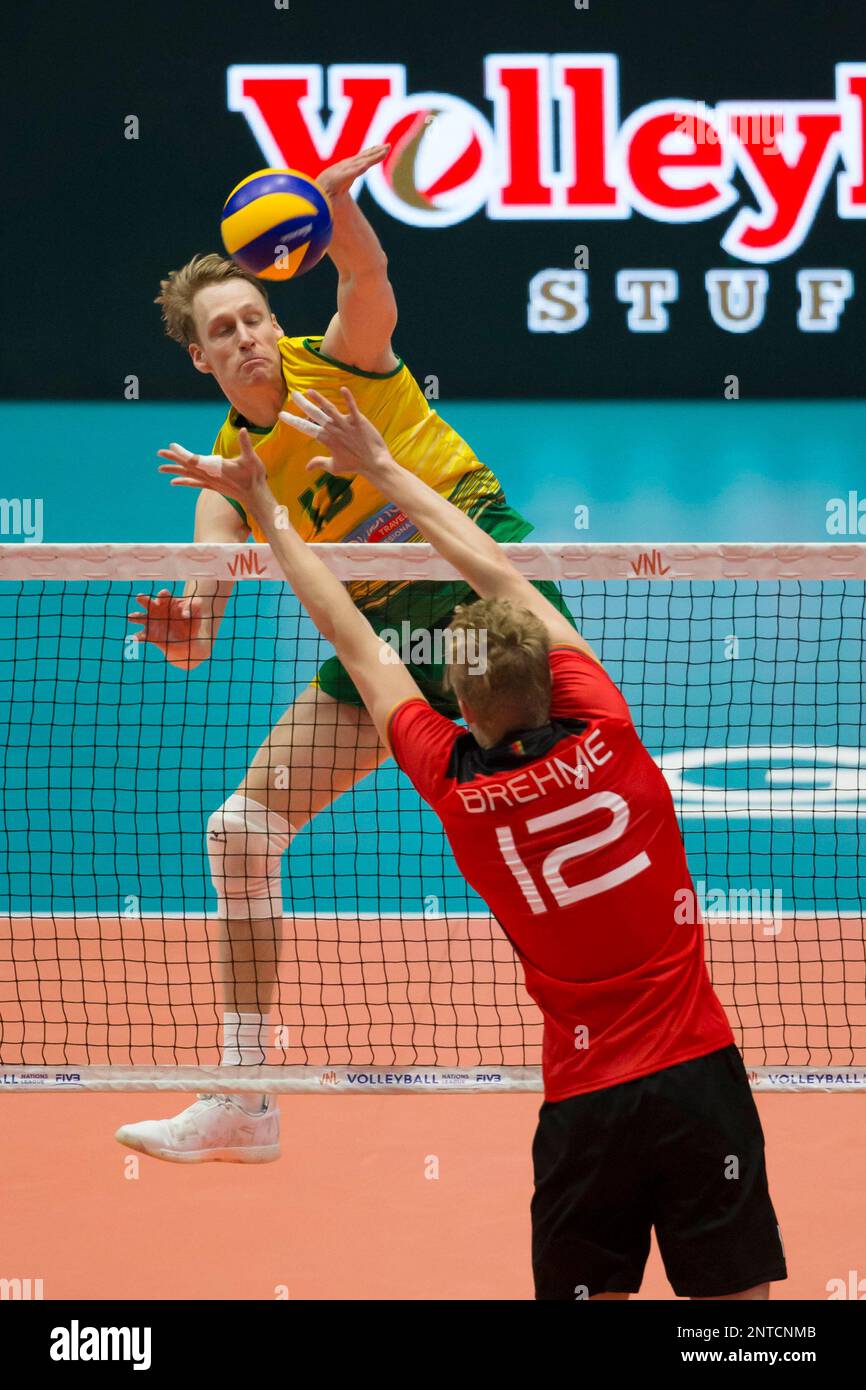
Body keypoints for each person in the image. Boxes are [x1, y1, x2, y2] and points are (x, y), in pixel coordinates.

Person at [145, 387, 788, 1301]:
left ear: (463, 710)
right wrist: (384, 470)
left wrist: (271, 519)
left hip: (585, 1104)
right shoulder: (610, 728)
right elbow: (496, 570)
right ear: (553, 679)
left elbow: (356, 642)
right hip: (701, 1082)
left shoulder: (458, 789)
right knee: (746, 1332)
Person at [115, 143, 573, 1161]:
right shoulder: (225, 474)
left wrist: (336, 205)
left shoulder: (348, 358)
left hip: (475, 594)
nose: (242, 339)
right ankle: (244, 1097)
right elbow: (205, 611)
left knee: (542, 817)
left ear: (275, 323)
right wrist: (187, 629)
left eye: (251, 319)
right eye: (219, 333)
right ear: (199, 359)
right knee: (239, 831)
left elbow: (364, 276)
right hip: (378, 642)